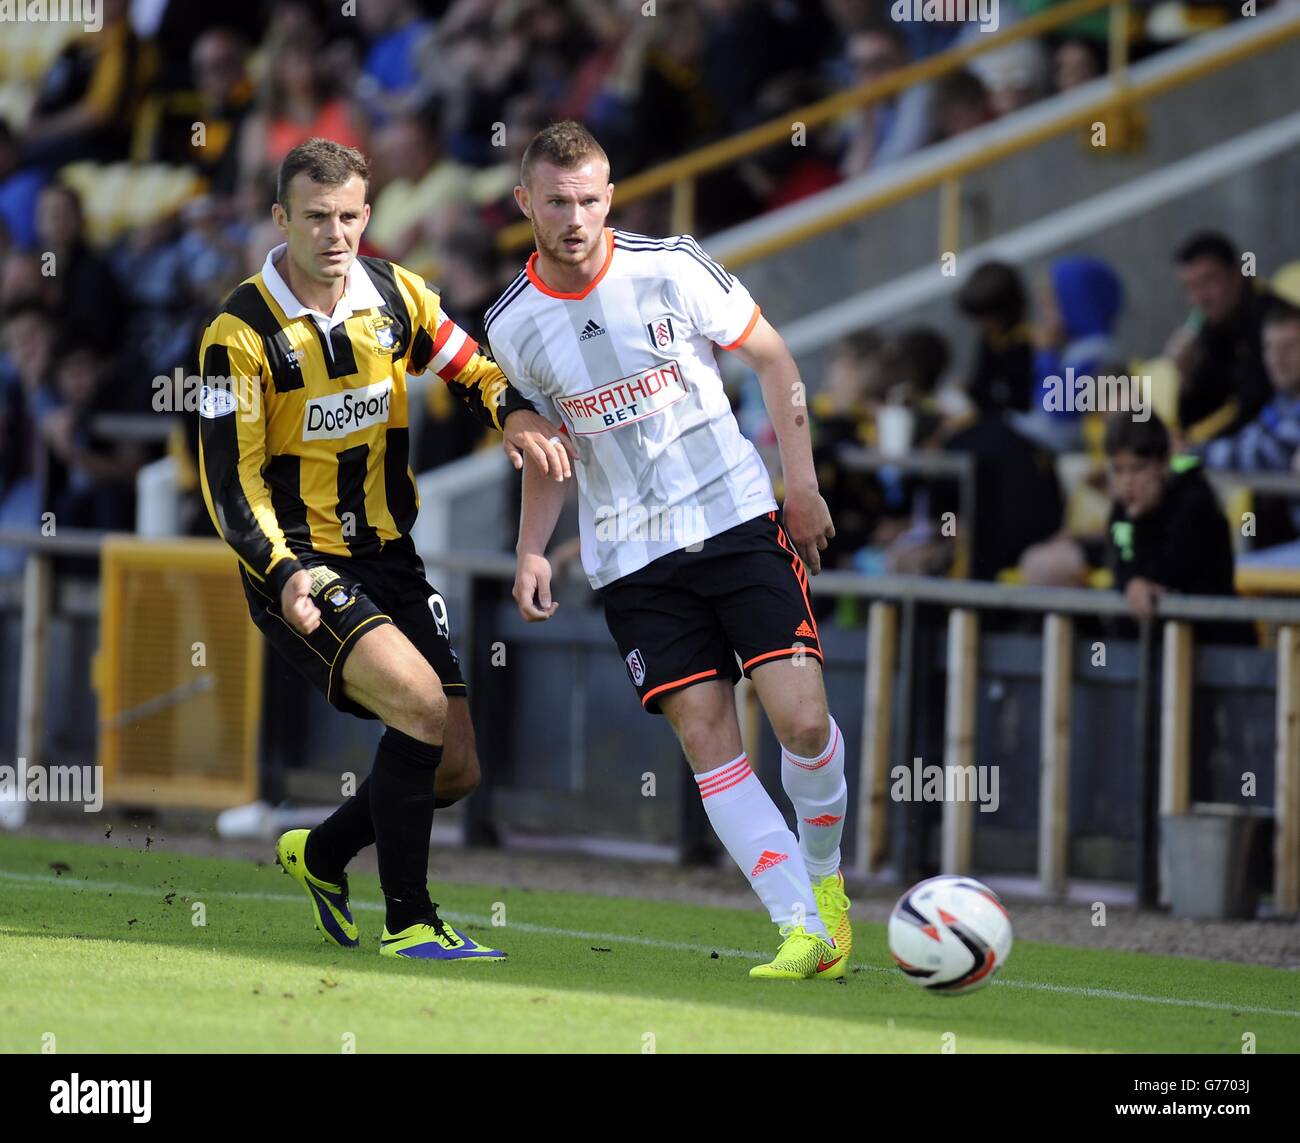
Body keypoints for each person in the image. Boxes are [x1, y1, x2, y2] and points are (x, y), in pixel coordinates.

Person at [197, 137, 571, 962]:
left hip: (391, 555)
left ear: (368, 215)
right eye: (317, 218)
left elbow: (473, 367)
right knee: (422, 710)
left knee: (457, 767)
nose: (335, 234)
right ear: (281, 219)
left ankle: (323, 852)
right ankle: (412, 919)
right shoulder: (238, 333)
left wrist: (513, 414)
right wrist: (286, 572)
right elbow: (230, 487)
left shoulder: (396, 293)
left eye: (349, 217)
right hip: (300, 563)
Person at [493, 122, 850, 981]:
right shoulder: (513, 325)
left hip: (734, 519)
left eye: (588, 199)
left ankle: (828, 880)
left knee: (802, 720)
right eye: (556, 201)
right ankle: (801, 926)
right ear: (525, 205)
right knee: (705, 734)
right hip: (631, 560)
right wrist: (533, 548)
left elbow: (774, 358)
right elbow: (550, 451)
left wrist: (799, 481)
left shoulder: (673, 265)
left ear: (609, 195)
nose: (575, 217)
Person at [1104, 413, 1245, 644]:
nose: (1127, 481)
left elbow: (1168, 573)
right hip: (1151, 651)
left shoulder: (1195, 501)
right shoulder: (1122, 511)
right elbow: (1120, 565)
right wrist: (1131, 582)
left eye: (1138, 468)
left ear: (1163, 464)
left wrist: (1140, 524)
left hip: (1216, 648)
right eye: (1118, 470)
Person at [1165, 231, 1278, 439]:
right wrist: (1187, 375)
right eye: (1190, 288)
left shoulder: (1273, 322)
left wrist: (1200, 450)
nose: (1200, 298)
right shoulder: (1214, 327)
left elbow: (1255, 408)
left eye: (1208, 281)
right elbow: (1195, 419)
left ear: (1237, 274)